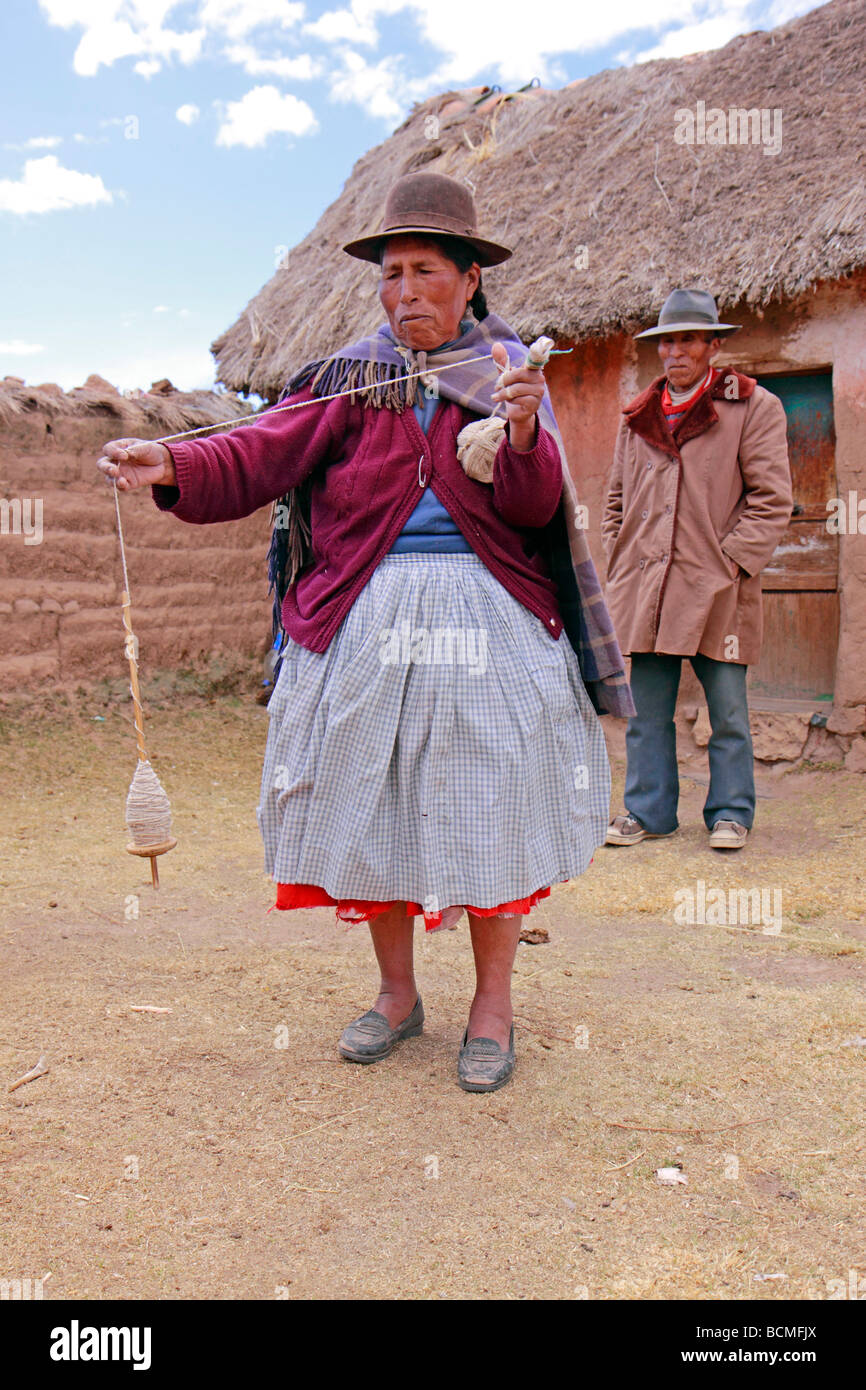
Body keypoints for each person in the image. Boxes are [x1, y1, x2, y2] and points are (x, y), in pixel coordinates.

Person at [97, 172, 632, 1093]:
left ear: (471, 280)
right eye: (390, 273)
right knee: (373, 800)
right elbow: (259, 448)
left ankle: (492, 1009)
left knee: (488, 806)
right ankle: (396, 996)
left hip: (487, 623)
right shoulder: (347, 378)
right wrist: (171, 461)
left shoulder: (510, 374)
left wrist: (521, 432)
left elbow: (535, 504)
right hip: (365, 618)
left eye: (427, 270)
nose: (405, 291)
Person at [602, 288, 792, 851]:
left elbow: (771, 500)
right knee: (647, 710)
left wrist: (729, 563)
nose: (676, 351)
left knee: (727, 708)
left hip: (719, 586)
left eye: (688, 339)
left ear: (712, 344)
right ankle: (648, 811)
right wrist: (622, 558)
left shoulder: (753, 406)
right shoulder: (638, 415)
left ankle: (731, 813)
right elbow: (614, 501)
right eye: (667, 341)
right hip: (648, 585)